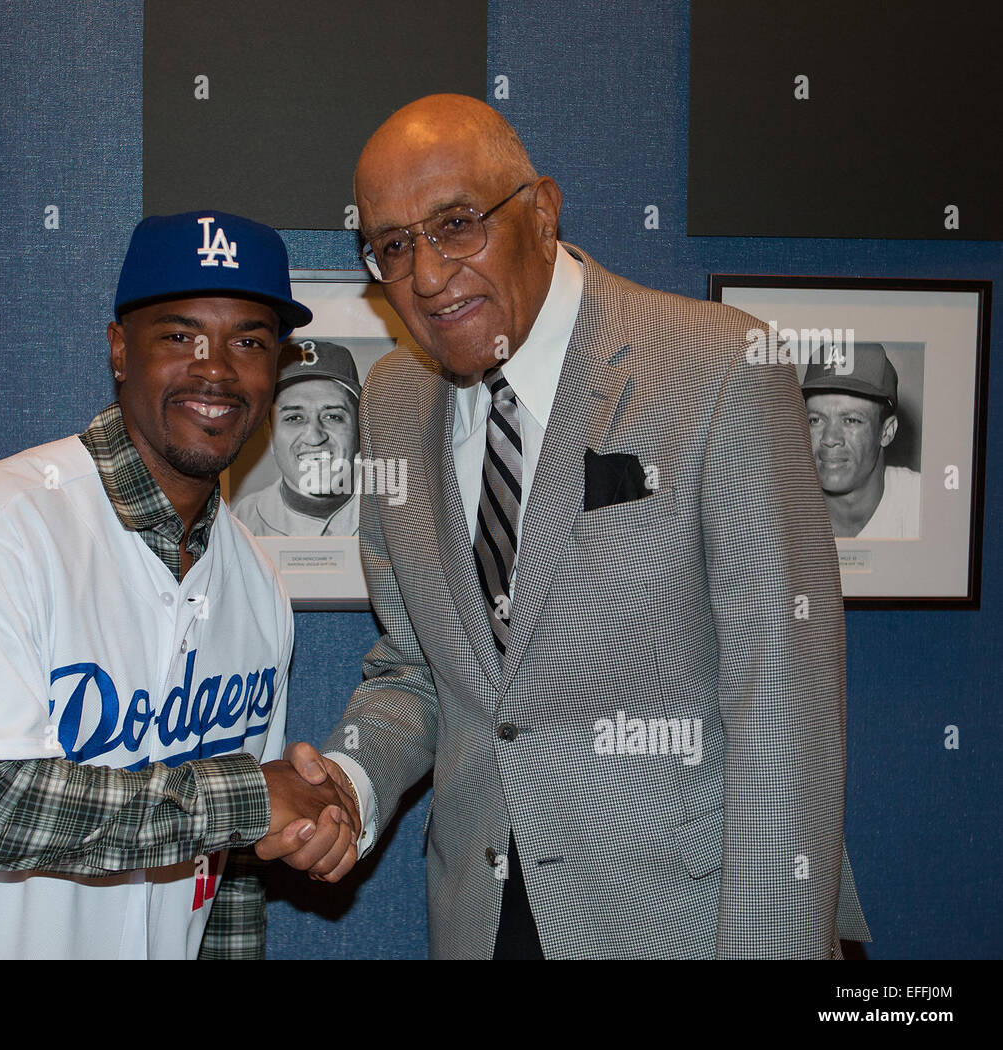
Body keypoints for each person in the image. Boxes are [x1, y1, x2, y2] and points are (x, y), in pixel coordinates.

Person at [261, 95, 859, 958]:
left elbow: (784, 710)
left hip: (685, 926)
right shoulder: (392, 401)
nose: (427, 275)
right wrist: (350, 784)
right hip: (478, 920)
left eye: (457, 224)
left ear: (542, 213)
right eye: (393, 246)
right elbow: (421, 669)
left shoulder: (723, 367)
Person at [0, 210, 357, 960]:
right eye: (179, 336)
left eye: (248, 340)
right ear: (120, 350)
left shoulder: (257, 580)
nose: (216, 369)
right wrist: (250, 798)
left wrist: (281, 816)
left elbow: (232, 869)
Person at [233, 339, 362, 536]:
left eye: (333, 416)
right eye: (294, 418)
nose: (314, 437)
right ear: (271, 434)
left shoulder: (396, 515)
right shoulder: (242, 521)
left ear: (360, 430)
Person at [803, 342, 920, 539]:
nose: (830, 439)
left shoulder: (922, 504)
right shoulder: (777, 511)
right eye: (815, 420)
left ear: (887, 432)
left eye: (851, 420)